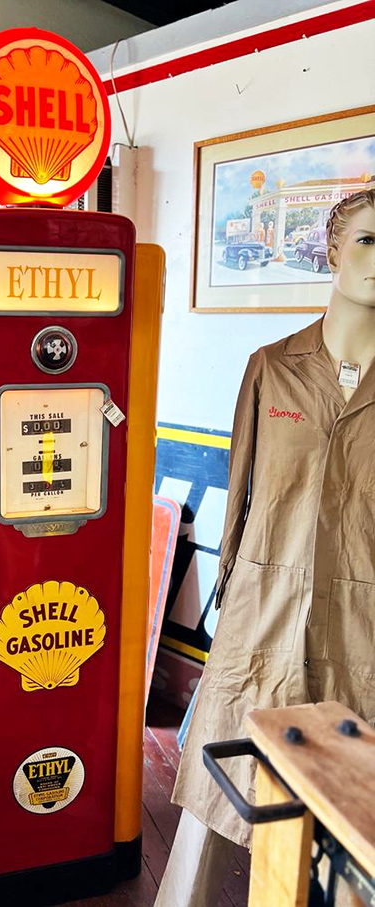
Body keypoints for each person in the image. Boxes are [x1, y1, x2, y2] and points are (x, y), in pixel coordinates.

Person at [155, 187, 375, 907]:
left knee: (350, 805)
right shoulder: (273, 368)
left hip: (363, 616)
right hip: (263, 607)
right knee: (223, 780)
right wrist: (232, 592)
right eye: (368, 240)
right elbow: (244, 487)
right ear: (334, 252)